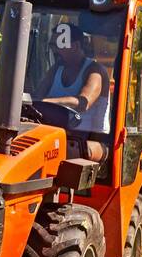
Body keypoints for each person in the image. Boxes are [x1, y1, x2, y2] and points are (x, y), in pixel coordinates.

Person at [34, 22, 111, 161]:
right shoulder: (56, 69)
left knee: (68, 151)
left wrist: (46, 103)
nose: (54, 50)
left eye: (58, 46)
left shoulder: (95, 70)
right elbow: (36, 98)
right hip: (59, 135)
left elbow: (83, 103)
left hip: (91, 140)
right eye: (52, 45)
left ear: (75, 46)